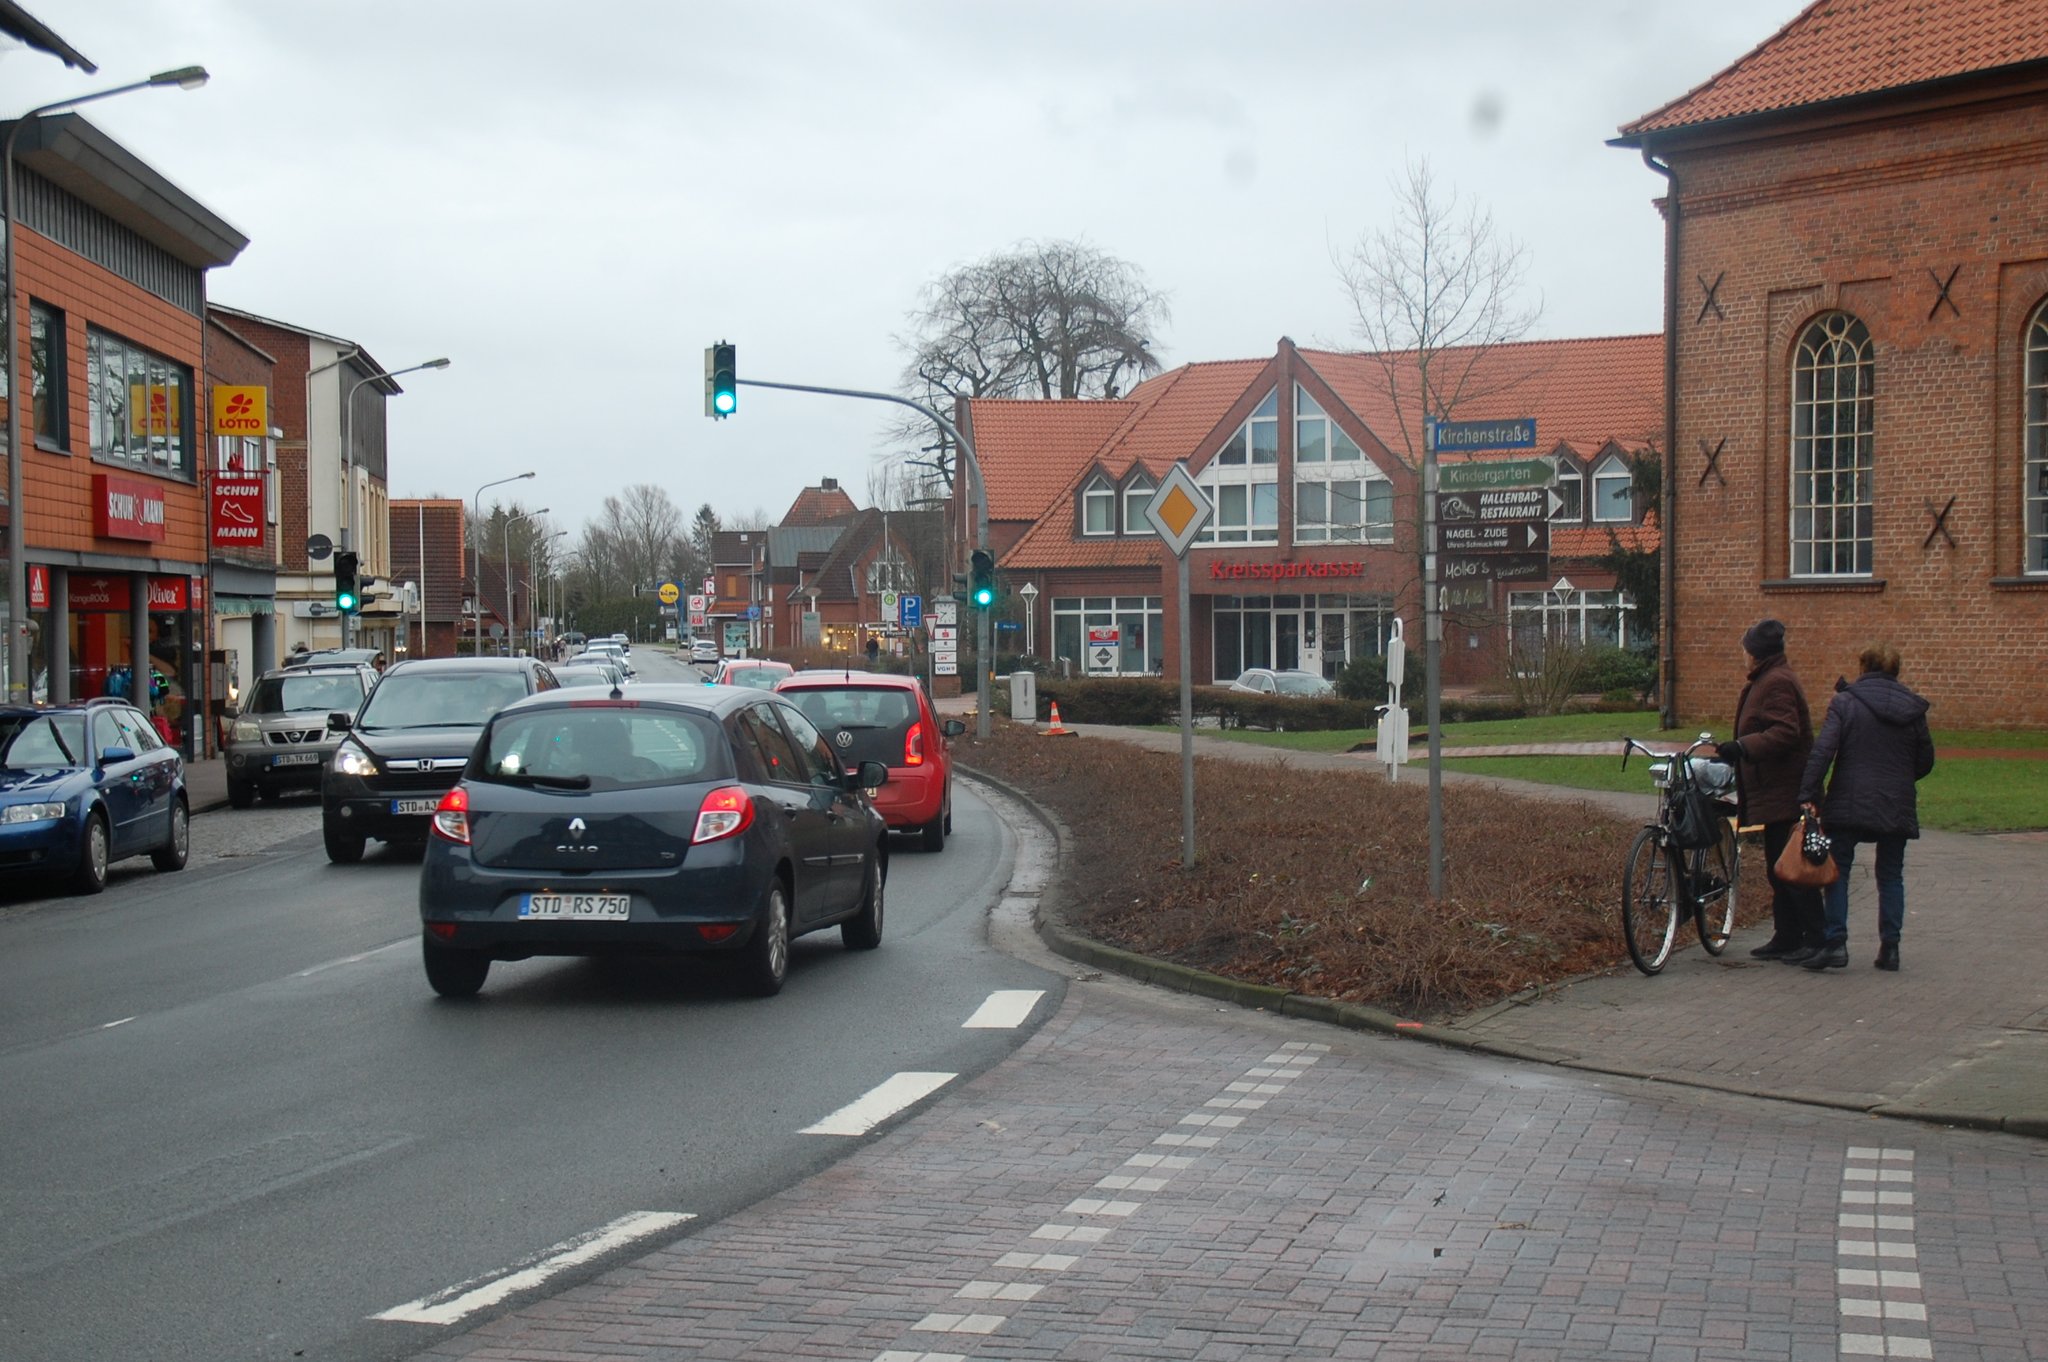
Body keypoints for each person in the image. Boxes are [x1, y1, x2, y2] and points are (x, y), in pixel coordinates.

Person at [1796, 642, 1935, 972]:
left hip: (1849, 800)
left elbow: (1823, 751)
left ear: (1863, 668)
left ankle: (1836, 943)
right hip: (1895, 804)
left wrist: (1808, 792)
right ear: (1895, 671)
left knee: (1838, 871)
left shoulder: (1845, 703)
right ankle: (1890, 948)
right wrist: (1900, 778)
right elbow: (1925, 761)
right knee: (1890, 875)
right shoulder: (1913, 710)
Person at [1716, 619, 1825, 963]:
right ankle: (1788, 934)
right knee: (1778, 867)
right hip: (1777, 789)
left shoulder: (1776, 682)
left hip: (1785, 790)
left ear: (1757, 653)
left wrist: (1743, 747)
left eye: (1745, 650)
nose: (1743, 656)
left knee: (1792, 868)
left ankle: (1814, 937)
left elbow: (1785, 732)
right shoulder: (1770, 678)